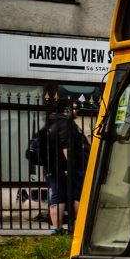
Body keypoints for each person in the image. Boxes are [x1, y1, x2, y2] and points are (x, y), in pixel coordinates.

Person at [36, 100, 87, 234]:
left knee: (57, 195)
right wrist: (70, 166)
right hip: (68, 166)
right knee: (77, 195)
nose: (77, 111)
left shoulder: (49, 124)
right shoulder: (65, 123)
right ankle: (77, 228)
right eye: (75, 109)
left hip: (51, 167)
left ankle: (57, 229)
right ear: (66, 110)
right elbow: (66, 146)